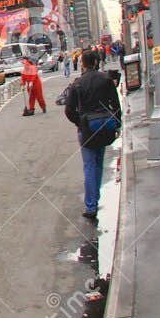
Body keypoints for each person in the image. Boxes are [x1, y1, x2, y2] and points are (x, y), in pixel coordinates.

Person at [64, 48, 122, 221]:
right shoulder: (105, 79)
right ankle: (94, 199)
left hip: (87, 128)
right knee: (98, 163)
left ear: (82, 63)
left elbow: (68, 110)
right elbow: (116, 104)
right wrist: (116, 122)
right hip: (104, 125)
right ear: (96, 62)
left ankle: (91, 205)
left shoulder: (78, 83)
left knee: (89, 165)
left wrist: (79, 122)